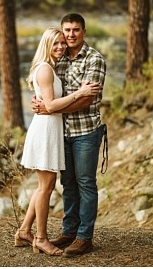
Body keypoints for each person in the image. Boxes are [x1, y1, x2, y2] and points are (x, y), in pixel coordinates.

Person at [16, 28, 100, 256]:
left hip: (51, 129)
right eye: (55, 43)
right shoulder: (45, 69)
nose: (61, 47)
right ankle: (41, 239)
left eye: (62, 43)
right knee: (46, 187)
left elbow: (47, 102)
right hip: (45, 131)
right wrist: (80, 92)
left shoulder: (51, 67)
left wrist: (45, 103)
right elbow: (51, 105)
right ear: (46, 45)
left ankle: (24, 231)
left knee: (44, 186)